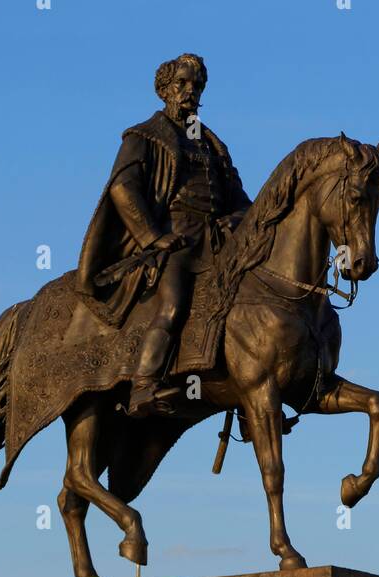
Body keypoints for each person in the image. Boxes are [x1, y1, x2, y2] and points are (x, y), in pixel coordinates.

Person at [76, 52, 250, 416]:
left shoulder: (212, 145)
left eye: (197, 86)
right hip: (176, 241)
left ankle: (251, 398)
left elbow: (240, 201)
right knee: (172, 307)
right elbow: (123, 188)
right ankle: (144, 386)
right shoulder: (144, 136)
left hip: (218, 242)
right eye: (182, 84)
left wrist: (237, 221)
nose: (190, 92)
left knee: (252, 305)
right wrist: (153, 237)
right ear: (164, 90)